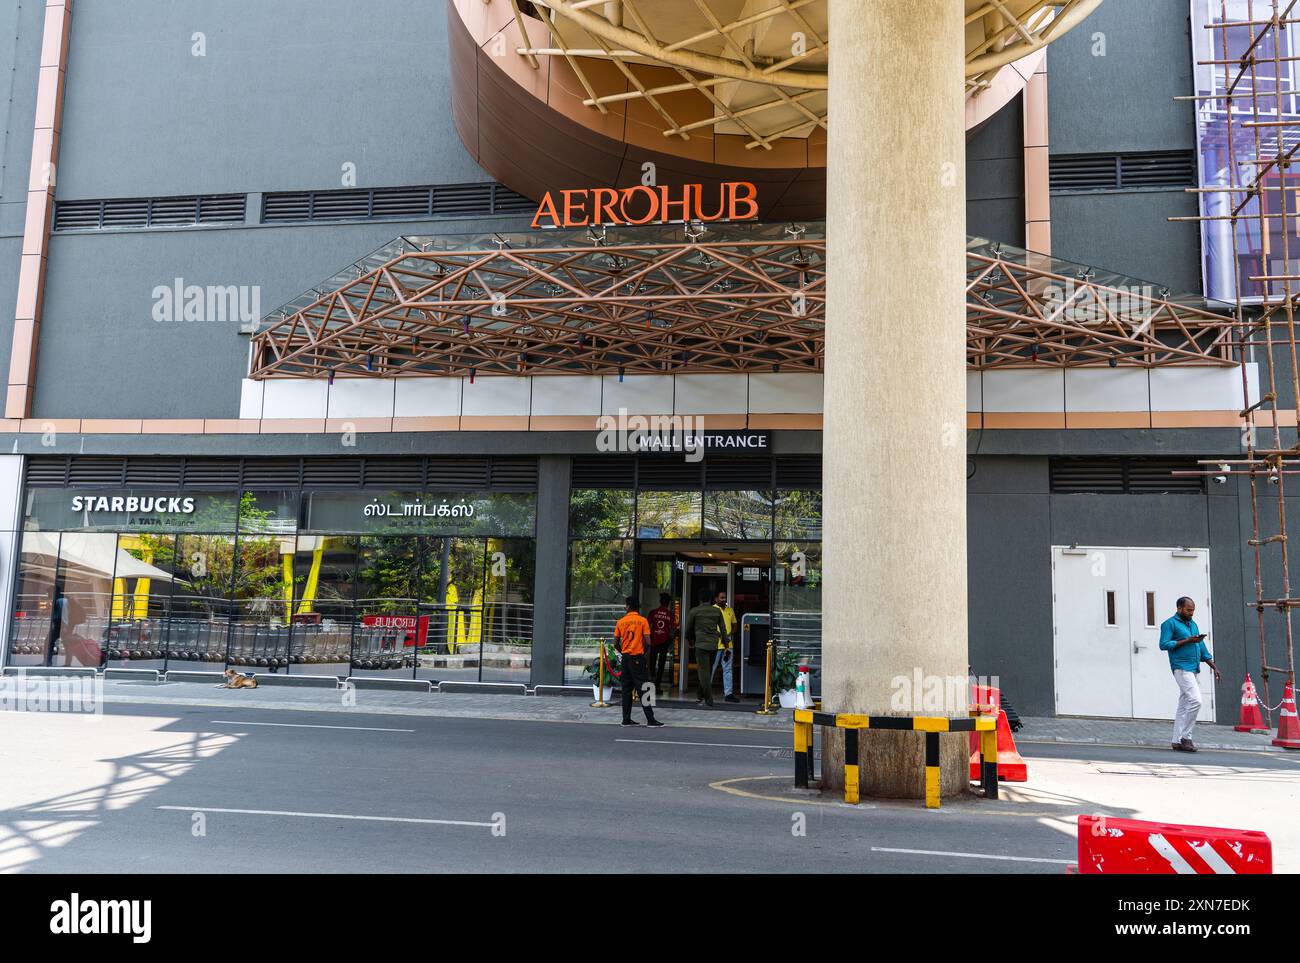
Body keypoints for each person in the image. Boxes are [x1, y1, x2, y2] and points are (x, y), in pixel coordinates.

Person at [1159, 596, 1221, 753]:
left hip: (1192, 669)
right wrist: (1187, 641)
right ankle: (1186, 737)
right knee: (1196, 700)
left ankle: (1176, 741)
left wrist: (1214, 667)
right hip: (1180, 667)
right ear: (1179, 608)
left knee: (1184, 704)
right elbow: (1164, 644)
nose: (1191, 613)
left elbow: (1202, 649)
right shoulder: (1169, 624)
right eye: (1188, 610)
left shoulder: (1193, 625)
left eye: (1193, 610)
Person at [614, 597, 664, 728]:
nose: (625, 607)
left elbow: (615, 643)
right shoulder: (643, 621)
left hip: (625, 658)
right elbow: (648, 642)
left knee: (626, 689)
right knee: (645, 687)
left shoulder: (620, 622)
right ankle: (651, 719)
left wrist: (624, 651)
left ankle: (626, 719)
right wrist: (642, 652)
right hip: (638, 658)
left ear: (629, 607)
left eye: (625, 605)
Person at [685, 589, 727, 706]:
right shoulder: (717, 611)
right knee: (707, 671)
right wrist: (726, 643)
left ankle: (709, 698)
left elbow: (688, 628)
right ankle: (700, 694)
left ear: (700, 599)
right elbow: (723, 629)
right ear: (711, 599)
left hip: (700, 645)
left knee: (704, 671)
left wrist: (690, 640)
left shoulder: (694, 611)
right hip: (714, 645)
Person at [711, 590, 738, 702]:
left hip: (728, 646)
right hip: (715, 645)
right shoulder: (711, 610)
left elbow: (735, 625)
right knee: (711, 669)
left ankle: (728, 694)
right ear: (716, 599)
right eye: (722, 597)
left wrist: (730, 634)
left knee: (727, 669)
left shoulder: (730, 610)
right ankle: (705, 693)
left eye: (725, 597)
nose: (724, 599)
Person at [647, 592, 676, 696]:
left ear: (660, 601)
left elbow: (647, 627)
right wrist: (669, 641)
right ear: (668, 603)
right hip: (664, 642)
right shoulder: (670, 615)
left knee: (652, 663)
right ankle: (658, 685)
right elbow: (673, 630)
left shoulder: (653, 612)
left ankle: (651, 685)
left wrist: (648, 640)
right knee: (661, 664)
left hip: (653, 641)